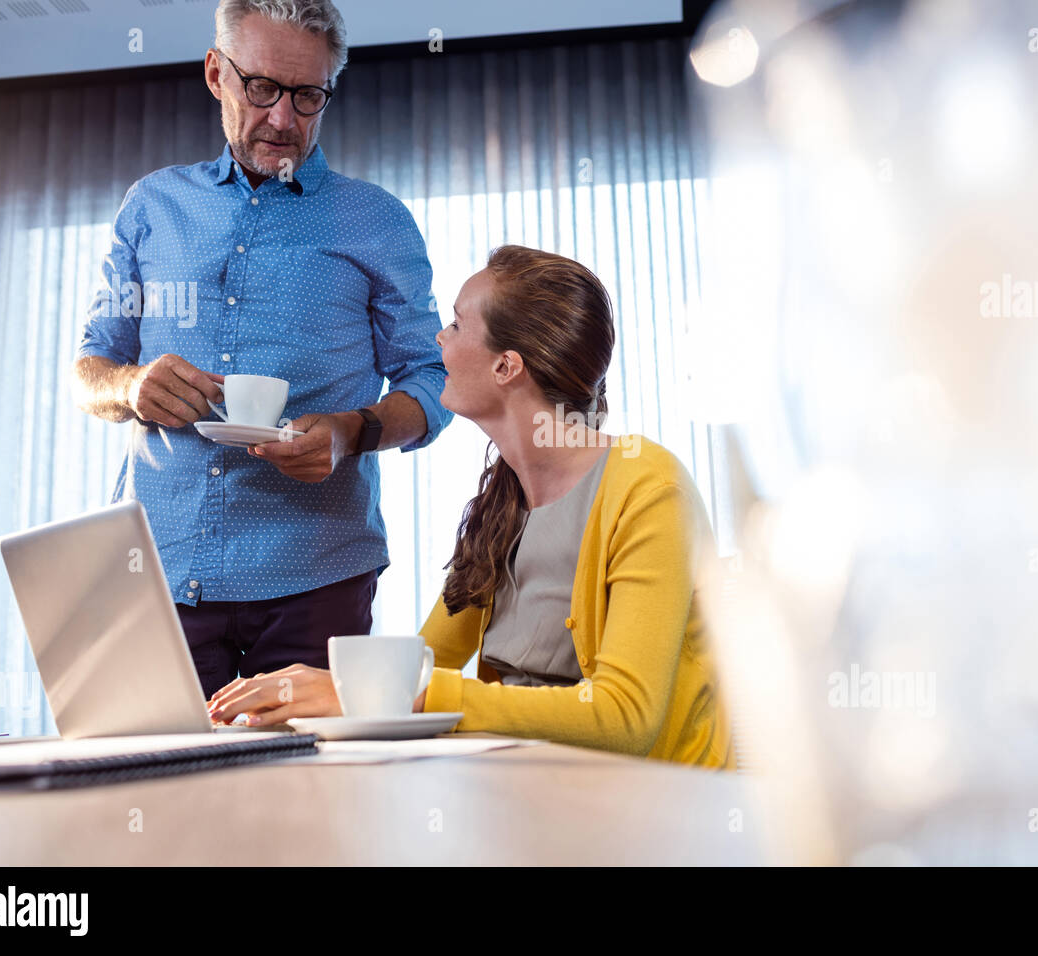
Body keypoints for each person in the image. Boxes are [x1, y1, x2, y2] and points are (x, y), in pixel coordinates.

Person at [208, 245, 738, 770]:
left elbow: (626, 719)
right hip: (525, 796)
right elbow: (425, 660)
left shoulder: (648, 486)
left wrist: (407, 699)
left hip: (649, 814)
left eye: (457, 325)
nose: (439, 338)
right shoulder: (503, 499)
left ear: (506, 366)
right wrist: (305, 694)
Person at [71, 0, 451, 697]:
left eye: (307, 97)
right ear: (218, 73)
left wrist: (352, 431)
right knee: (159, 791)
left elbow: (434, 382)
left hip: (318, 575)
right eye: (263, 89)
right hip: (158, 567)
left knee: (309, 797)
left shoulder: (378, 221)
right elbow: (91, 364)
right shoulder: (152, 206)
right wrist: (128, 388)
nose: (284, 119)